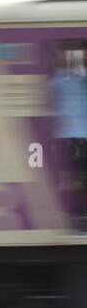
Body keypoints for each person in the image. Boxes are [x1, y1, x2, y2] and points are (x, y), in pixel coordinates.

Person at [49, 46, 87, 222]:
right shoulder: (59, 82)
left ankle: (77, 208)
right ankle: (76, 208)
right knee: (74, 174)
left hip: (76, 135)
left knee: (76, 173)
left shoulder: (75, 80)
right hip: (70, 136)